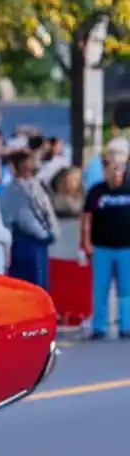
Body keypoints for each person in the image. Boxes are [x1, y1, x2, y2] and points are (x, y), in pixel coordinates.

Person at [81, 145, 130, 339]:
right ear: (105, 169)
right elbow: (86, 218)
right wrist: (86, 243)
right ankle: (99, 328)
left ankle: (126, 327)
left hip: (126, 248)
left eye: (120, 167)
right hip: (102, 248)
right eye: (112, 167)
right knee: (100, 290)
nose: (116, 172)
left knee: (126, 290)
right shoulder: (96, 192)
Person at [2, 149, 58, 289]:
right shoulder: (13, 190)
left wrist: (53, 230)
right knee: (31, 283)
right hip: (25, 240)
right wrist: (45, 234)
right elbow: (24, 218)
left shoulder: (36, 185)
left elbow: (46, 209)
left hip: (39, 239)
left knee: (41, 281)